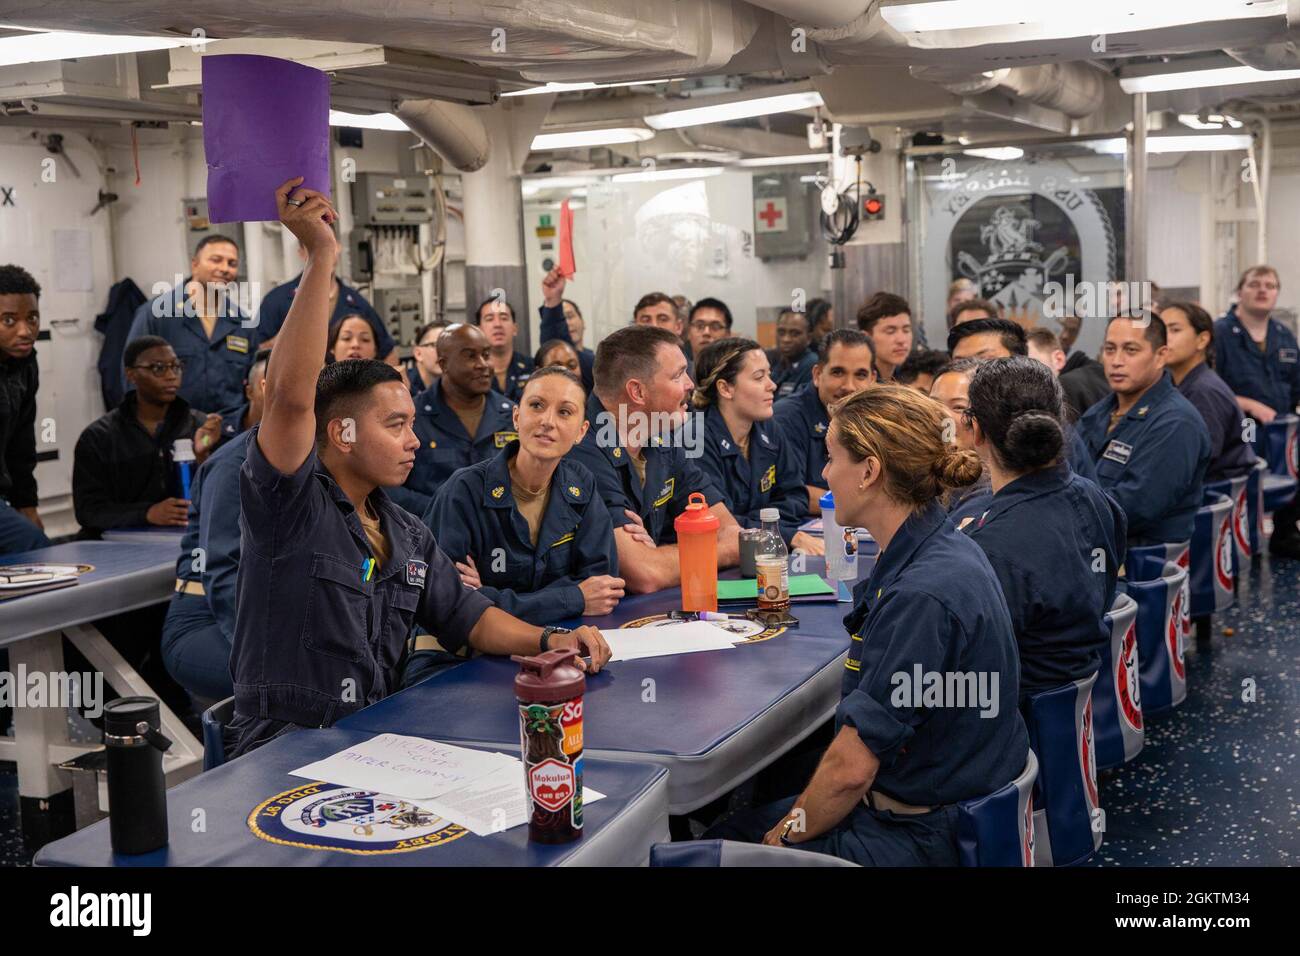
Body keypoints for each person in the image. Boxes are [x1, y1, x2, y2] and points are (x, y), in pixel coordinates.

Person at [225, 177, 608, 758]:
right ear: (342, 432)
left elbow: (469, 617)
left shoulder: (404, 531)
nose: (413, 439)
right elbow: (289, 398)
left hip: (375, 735)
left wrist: (554, 637)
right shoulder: (291, 507)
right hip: (287, 750)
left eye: (411, 421)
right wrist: (322, 256)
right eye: (395, 425)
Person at [706, 385, 1029, 865]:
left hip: (916, 831)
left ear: (870, 471)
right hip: (955, 797)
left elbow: (851, 772)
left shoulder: (921, 595)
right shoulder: (941, 548)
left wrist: (782, 843)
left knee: (709, 850)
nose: (824, 473)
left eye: (833, 458)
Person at [962, 357, 1126, 703]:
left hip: (1011, 712)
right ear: (1060, 420)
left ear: (975, 430)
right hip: (1071, 697)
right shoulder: (1098, 501)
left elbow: (964, 656)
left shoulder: (987, 546)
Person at [425, 366, 623, 625]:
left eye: (564, 412)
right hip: (466, 652)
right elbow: (454, 604)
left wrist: (493, 598)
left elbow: (602, 588)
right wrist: (573, 597)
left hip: (564, 636)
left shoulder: (581, 483)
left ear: (581, 432)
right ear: (517, 417)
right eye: (537, 405)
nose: (548, 421)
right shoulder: (463, 491)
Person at [567, 324, 742, 593]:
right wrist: (722, 550)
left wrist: (661, 556)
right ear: (637, 392)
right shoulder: (581, 451)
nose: (690, 384)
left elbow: (728, 528)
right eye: (678, 375)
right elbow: (645, 573)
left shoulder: (659, 437)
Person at [161, 349, 271, 700]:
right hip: (207, 616)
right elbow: (224, 573)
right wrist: (276, 646)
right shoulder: (234, 464)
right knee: (302, 677)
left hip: (275, 613)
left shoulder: (319, 459)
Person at [1077, 315, 1211, 548]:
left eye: (1131, 350)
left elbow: (1132, 508)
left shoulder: (1176, 423)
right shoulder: (1101, 411)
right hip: (1091, 547)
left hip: (1137, 565)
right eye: (1110, 349)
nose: (1116, 361)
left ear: (1161, 356)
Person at [73, 336, 222, 537]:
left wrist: (203, 455)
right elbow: (88, 511)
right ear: (131, 374)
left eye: (176, 367)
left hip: (185, 538)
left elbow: (223, 495)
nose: (171, 376)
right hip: (117, 544)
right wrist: (147, 513)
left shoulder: (198, 426)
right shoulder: (99, 437)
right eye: (158, 368)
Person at [693, 338, 820, 554]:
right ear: (725, 388)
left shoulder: (768, 428)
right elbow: (720, 522)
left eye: (769, 374)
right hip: (716, 558)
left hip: (764, 548)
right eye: (759, 377)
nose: (772, 385)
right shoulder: (696, 438)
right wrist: (780, 533)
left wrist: (767, 527)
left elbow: (795, 496)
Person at [1212, 265, 1300, 557]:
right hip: (1238, 431)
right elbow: (1207, 388)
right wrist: (1248, 404)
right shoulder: (1219, 334)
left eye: (1270, 285)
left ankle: (1285, 535)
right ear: (1240, 291)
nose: (1263, 290)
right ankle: (1239, 547)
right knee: (1245, 491)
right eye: (1255, 284)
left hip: (1281, 433)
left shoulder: (1283, 335)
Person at [947, 318, 1098, 484]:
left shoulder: (1046, 431)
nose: (969, 372)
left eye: (985, 361)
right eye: (960, 363)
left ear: (1019, 363)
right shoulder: (946, 427)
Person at [123, 234, 255, 416]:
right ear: (195, 265)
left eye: (232, 263)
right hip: (172, 432)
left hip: (228, 433)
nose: (225, 268)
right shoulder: (156, 314)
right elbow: (131, 378)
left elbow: (252, 384)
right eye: (216, 260)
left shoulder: (242, 322)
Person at [404, 323, 517, 505]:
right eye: (470, 356)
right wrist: (441, 511)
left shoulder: (512, 415)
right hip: (434, 528)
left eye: (486, 355)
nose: (483, 364)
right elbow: (391, 488)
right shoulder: (412, 418)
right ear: (444, 364)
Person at [773, 329, 876, 515]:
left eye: (860, 375)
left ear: (873, 379)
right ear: (817, 375)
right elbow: (795, 493)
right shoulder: (786, 419)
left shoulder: (877, 419)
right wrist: (869, 506)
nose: (849, 387)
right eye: (838, 372)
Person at [255, 238, 400, 367]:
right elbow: (256, 353)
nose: (323, 255)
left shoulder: (358, 304)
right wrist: (287, 339)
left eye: (329, 247)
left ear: (338, 247)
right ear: (302, 253)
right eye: (314, 248)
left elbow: (389, 354)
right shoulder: (276, 301)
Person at [1162, 302, 1257, 483]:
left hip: (1214, 492)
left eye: (1174, 330)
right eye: (1161, 330)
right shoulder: (1181, 384)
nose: (1164, 338)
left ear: (1202, 340)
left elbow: (1197, 460)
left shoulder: (1203, 391)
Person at [0, 264, 49, 554]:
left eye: (32, 318)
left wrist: (27, 504)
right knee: (30, 545)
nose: (25, 330)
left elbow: (21, 442)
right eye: (8, 320)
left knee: (37, 548)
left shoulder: (25, 365)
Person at [929, 358, 991, 524]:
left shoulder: (989, 491)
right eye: (933, 405)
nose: (941, 416)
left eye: (958, 407)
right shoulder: (931, 478)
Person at [536, 272, 595, 392]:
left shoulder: (594, 363)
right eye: (562, 319)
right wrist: (553, 300)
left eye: (570, 316)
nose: (566, 323)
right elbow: (556, 341)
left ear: (583, 321)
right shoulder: (552, 348)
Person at [474, 296, 533, 401]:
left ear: (515, 328)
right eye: (489, 319)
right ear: (479, 330)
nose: (498, 324)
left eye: (504, 318)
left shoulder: (533, 368)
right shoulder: (472, 372)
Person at [856, 292, 913, 383]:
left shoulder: (908, 376)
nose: (901, 340)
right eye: (890, 332)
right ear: (866, 338)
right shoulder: (859, 383)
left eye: (906, 330)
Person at [767, 308, 817, 399]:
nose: (786, 339)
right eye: (781, 333)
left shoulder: (812, 366)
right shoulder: (777, 362)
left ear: (809, 338)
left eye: (795, 334)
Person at [685, 297, 732, 364]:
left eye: (715, 327)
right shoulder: (676, 373)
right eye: (700, 326)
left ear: (728, 334)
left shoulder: (740, 373)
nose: (706, 332)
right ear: (689, 332)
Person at [406, 321, 447, 397]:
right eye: (436, 345)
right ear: (418, 353)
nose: (444, 352)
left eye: (450, 346)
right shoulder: (403, 387)